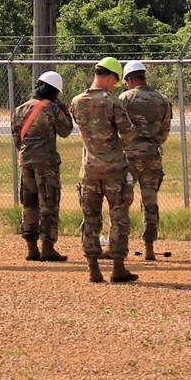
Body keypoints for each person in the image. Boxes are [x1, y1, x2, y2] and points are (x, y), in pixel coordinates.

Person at [69, 57, 140, 283]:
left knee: (90, 218)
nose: (114, 87)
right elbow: (128, 134)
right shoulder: (113, 103)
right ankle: (118, 268)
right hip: (114, 170)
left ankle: (93, 269)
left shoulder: (76, 101)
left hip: (89, 170)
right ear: (109, 77)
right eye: (114, 82)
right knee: (118, 217)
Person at [11, 69, 73, 262]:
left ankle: (31, 248)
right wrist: (63, 107)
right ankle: (47, 247)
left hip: (25, 161)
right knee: (48, 204)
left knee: (29, 203)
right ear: (54, 92)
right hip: (46, 163)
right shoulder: (52, 108)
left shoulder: (19, 110)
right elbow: (66, 130)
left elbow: (17, 139)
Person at [117, 60, 174, 261]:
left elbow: (119, 127)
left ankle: (119, 246)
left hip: (130, 157)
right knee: (150, 202)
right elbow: (164, 131)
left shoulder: (125, 98)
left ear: (130, 79)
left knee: (123, 201)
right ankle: (149, 248)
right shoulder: (162, 100)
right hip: (153, 155)